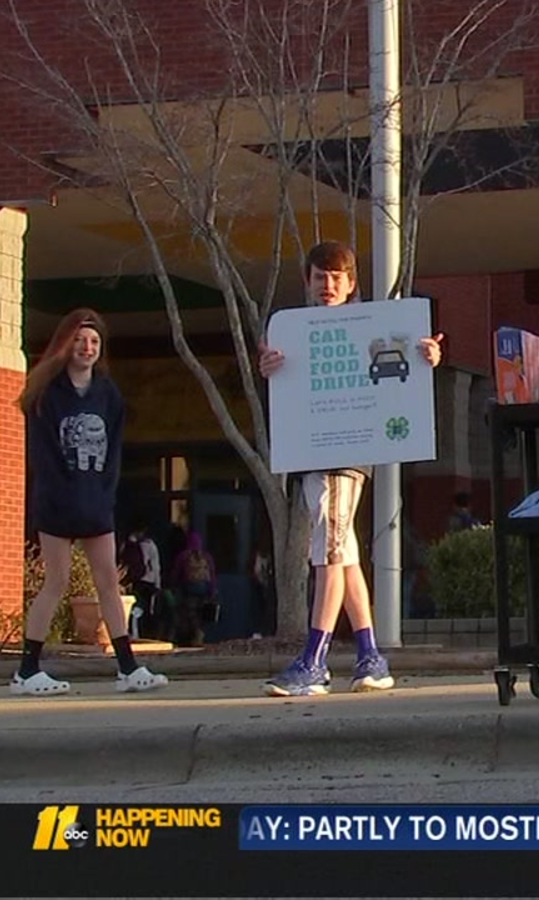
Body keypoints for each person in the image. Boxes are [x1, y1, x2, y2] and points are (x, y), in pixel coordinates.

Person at [257, 240, 444, 696]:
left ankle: (314, 660)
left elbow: (404, 368)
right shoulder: (292, 335)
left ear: (351, 283)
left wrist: (427, 359)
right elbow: (287, 388)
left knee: (330, 553)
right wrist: (270, 369)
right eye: (321, 277)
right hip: (313, 453)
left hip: (345, 457)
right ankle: (369, 656)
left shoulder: (369, 328)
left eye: (337, 277)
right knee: (344, 554)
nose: (328, 285)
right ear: (308, 281)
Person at [12, 309, 167, 696]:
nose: (87, 347)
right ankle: (27, 671)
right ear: (67, 344)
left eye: (94, 342)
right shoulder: (47, 394)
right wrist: (64, 493)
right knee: (57, 581)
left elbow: (113, 452)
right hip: (57, 503)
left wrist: (103, 494)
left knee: (108, 584)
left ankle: (128, 667)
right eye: (80, 340)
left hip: (95, 502)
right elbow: (44, 454)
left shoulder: (107, 393)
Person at [169, 532, 216, 647]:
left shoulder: (183, 556)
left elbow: (176, 573)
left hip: (189, 589)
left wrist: (173, 586)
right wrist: (212, 590)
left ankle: (192, 635)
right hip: (204, 589)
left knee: (190, 613)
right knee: (202, 614)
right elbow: (212, 575)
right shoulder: (206, 556)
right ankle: (198, 635)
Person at [120, 521, 162, 638]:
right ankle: (144, 634)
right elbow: (155, 566)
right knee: (146, 610)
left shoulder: (127, 544)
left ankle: (134, 633)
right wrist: (158, 585)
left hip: (132, 581)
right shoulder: (149, 545)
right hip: (148, 582)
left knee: (134, 609)